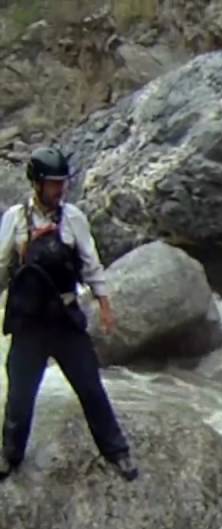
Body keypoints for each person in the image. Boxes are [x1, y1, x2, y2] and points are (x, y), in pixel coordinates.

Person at [0, 146, 137, 482]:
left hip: (65, 319)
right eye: (52, 184)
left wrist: (104, 305)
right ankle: (10, 455)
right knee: (20, 395)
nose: (58, 190)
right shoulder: (15, 220)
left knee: (90, 387)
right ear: (37, 183)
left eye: (62, 183)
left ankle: (116, 451)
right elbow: (2, 266)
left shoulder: (74, 218)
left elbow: (91, 264)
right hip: (29, 323)